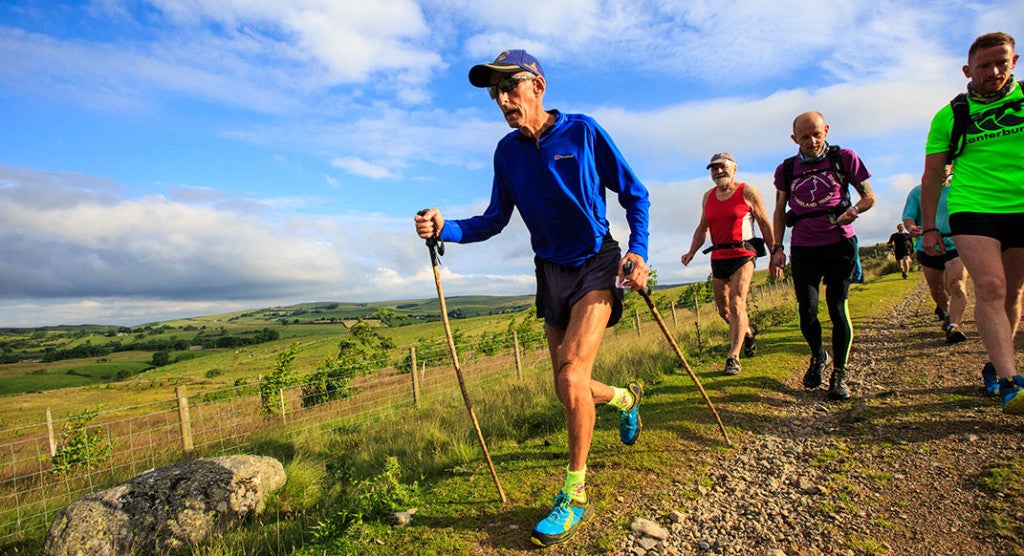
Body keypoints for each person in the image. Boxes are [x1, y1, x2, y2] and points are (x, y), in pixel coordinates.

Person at [414, 49, 650, 547]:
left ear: (538, 86)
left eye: (510, 88)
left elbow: (636, 194)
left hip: (596, 263)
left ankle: (575, 492)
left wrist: (639, 252)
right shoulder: (507, 152)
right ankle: (625, 398)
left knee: (570, 376)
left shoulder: (583, 132)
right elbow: (494, 219)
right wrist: (445, 228)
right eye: (494, 92)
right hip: (550, 273)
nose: (502, 100)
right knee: (568, 386)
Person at [920, 32, 1024, 413]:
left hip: (1021, 205)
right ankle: (1013, 382)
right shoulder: (950, 116)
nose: (994, 71)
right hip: (973, 206)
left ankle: (997, 364)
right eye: (984, 65)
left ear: (1014, 61)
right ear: (968, 70)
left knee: (1013, 292)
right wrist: (930, 226)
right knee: (991, 287)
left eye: (1002, 62)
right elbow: (931, 176)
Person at [769, 111, 877, 401]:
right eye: (805, 137)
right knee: (806, 311)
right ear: (794, 139)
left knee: (837, 308)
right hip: (804, 247)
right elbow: (779, 211)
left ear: (826, 130)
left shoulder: (845, 157)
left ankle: (839, 374)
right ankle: (818, 355)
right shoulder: (787, 169)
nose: (812, 141)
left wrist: (854, 210)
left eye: (817, 134)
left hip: (840, 244)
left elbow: (869, 196)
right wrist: (776, 248)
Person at [680, 152, 774, 375]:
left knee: (737, 302)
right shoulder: (708, 197)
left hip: (743, 253)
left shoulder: (747, 191)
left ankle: (733, 357)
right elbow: (703, 228)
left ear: (734, 168)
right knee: (724, 310)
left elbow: (764, 222)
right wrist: (691, 251)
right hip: (719, 256)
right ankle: (748, 333)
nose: (718, 171)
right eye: (713, 169)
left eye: (722, 167)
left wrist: (775, 253)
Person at [902, 170, 970, 344]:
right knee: (937, 288)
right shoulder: (918, 192)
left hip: (956, 243)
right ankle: (946, 313)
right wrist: (911, 227)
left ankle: (954, 326)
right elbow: (908, 217)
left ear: (951, 170)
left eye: (944, 170)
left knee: (957, 283)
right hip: (928, 244)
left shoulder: (960, 188)